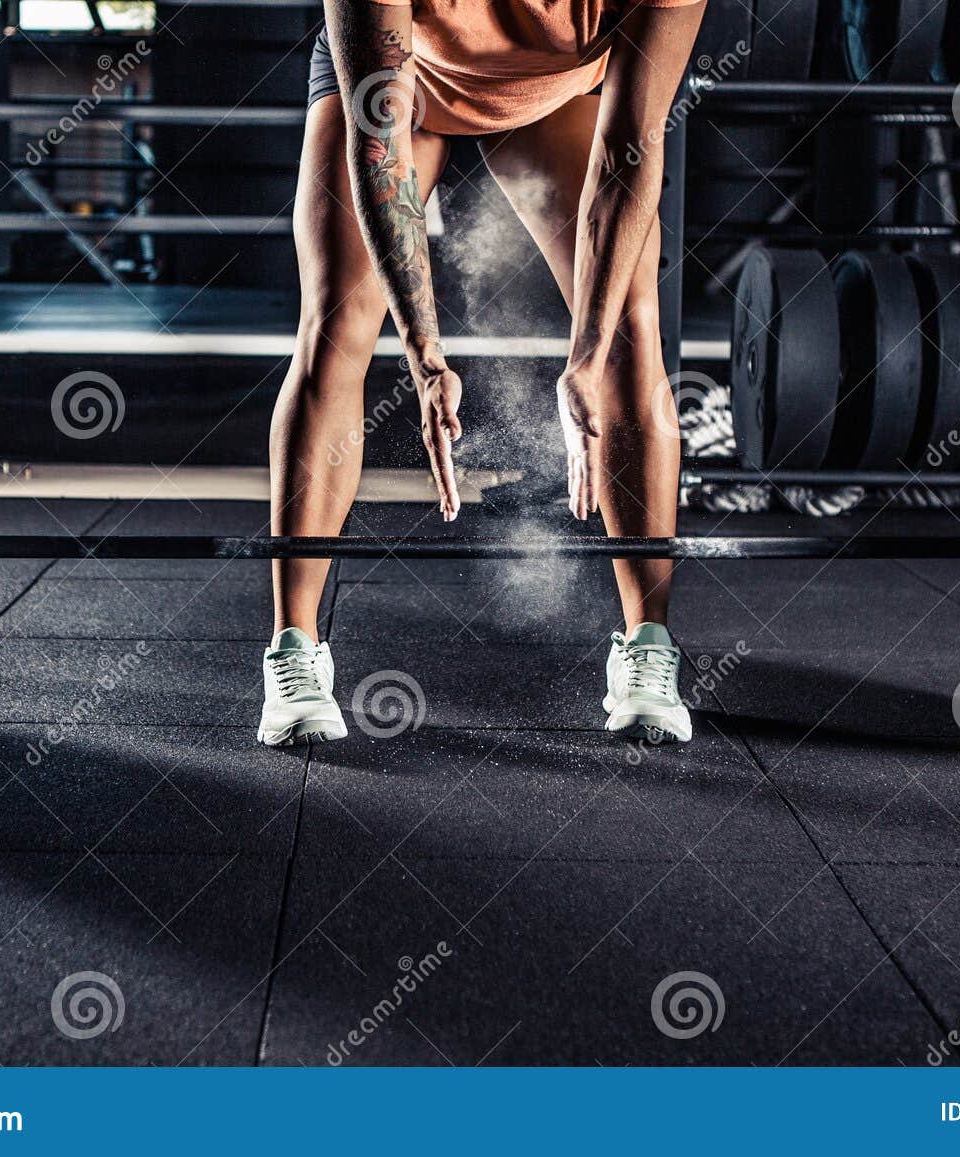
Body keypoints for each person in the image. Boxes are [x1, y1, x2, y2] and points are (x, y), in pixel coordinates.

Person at [259, 0, 706, 747]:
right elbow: (381, 150)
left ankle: (647, 647)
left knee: (632, 333)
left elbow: (630, 144)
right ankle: (294, 648)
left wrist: (587, 355)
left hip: (555, 91)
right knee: (337, 322)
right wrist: (425, 351)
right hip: (410, 84)